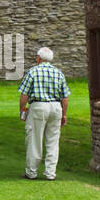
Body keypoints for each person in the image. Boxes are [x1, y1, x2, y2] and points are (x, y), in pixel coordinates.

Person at [18, 47, 72, 180]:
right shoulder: (59, 73)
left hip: (38, 106)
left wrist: (22, 110)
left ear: (39, 58)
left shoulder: (32, 72)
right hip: (56, 107)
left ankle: (31, 172)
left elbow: (24, 94)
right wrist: (64, 114)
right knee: (53, 141)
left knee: (34, 140)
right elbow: (65, 97)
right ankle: (50, 173)